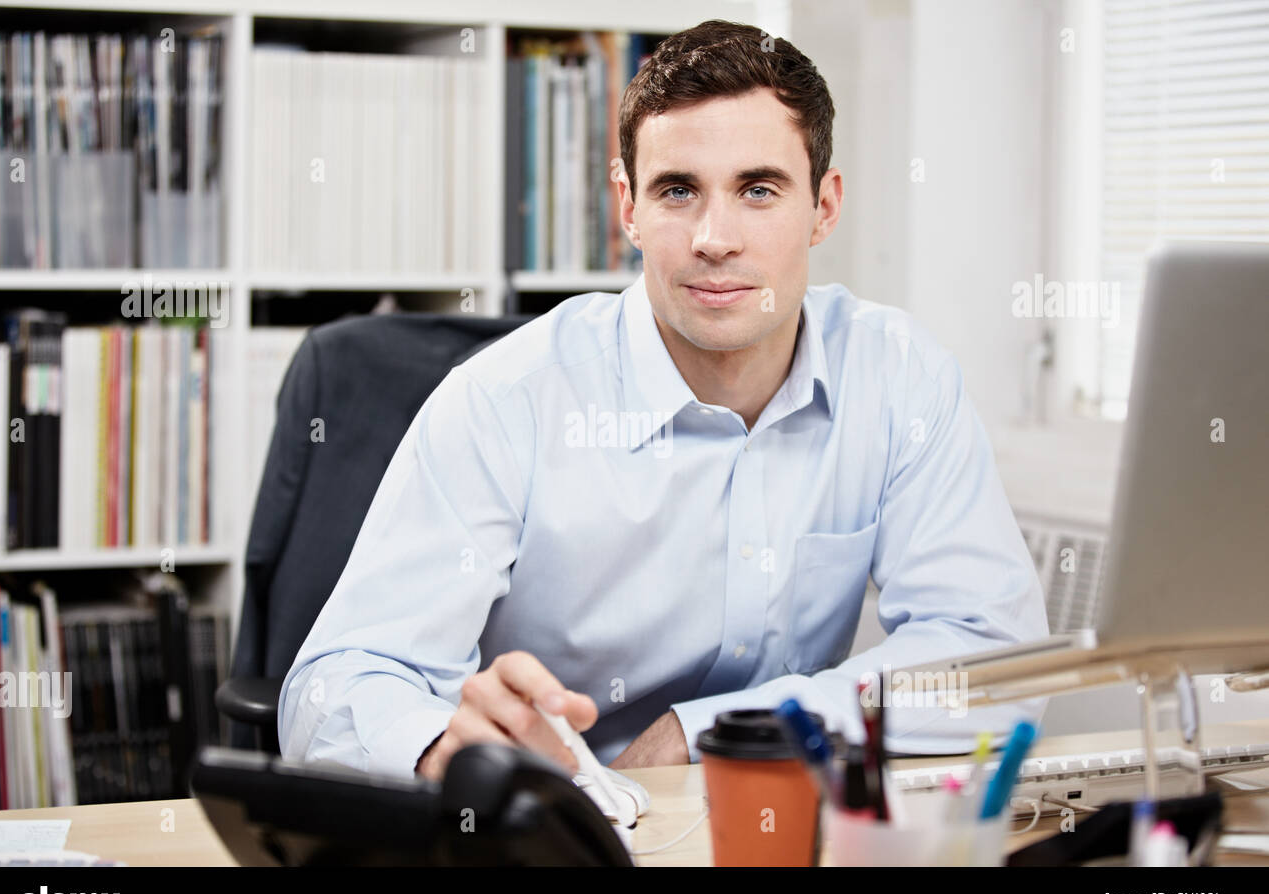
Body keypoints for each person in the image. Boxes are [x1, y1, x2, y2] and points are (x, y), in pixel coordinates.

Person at [278, 19, 1049, 782]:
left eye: (758, 190)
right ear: (628, 206)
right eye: (678, 190)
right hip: (567, 829)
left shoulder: (900, 377)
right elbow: (330, 691)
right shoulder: (505, 402)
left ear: (823, 207)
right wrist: (446, 747)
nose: (716, 237)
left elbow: (995, 662)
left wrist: (708, 732)